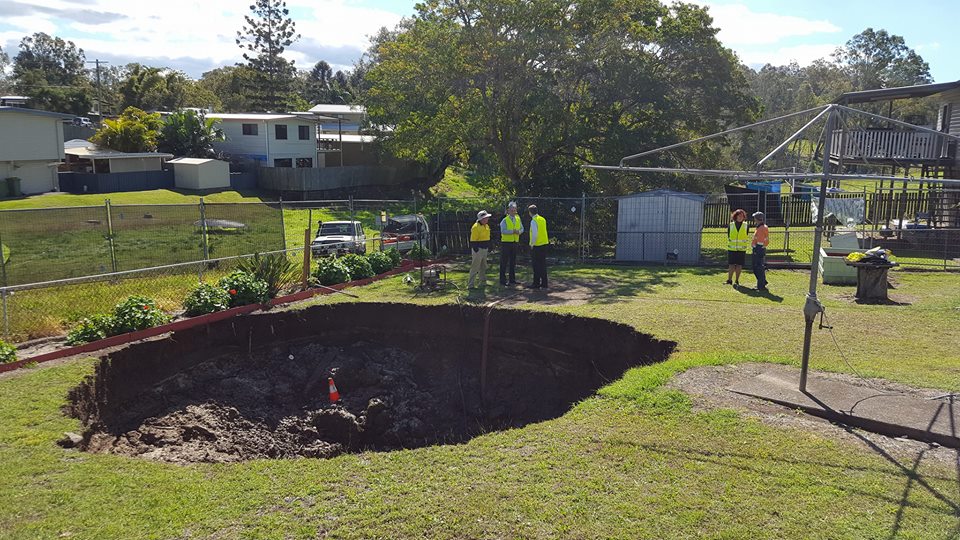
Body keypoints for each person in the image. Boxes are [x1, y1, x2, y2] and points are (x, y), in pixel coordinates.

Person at [499, 202, 524, 286]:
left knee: (513, 262)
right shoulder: (505, 220)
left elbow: (522, 228)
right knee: (504, 262)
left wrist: (519, 232)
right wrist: (512, 232)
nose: (513, 211)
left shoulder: (518, 218)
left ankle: (512, 279)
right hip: (506, 243)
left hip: (515, 242)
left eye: (514, 210)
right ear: (508, 211)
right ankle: (502, 280)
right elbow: (503, 231)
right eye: (511, 210)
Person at [467, 210, 492, 289]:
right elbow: (473, 240)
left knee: (483, 266)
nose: (487, 219)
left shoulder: (487, 226)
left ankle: (482, 282)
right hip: (478, 249)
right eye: (485, 218)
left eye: (487, 218)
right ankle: (470, 285)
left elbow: (487, 237)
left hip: (485, 248)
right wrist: (476, 250)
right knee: (475, 267)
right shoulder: (475, 227)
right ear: (481, 219)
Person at [527, 204, 549, 289]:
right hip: (544, 244)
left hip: (537, 245)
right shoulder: (542, 219)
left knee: (536, 265)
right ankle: (544, 283)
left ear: (530, 212)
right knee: (542, 264)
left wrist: (532, 244)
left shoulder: (533, 221)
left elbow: (535, 234)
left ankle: (536, 283)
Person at [726, 208, 749, 287]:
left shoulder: (746, 225)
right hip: (732, 249)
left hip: (741, 249)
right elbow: (728, 235)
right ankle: (729, 280)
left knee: (739, 265)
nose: (740, 217)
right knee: (731, 265)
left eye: (742, 216)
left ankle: (737, 280)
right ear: (735, 216)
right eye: (739, 216)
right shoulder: (731, 225)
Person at [751, 211, 769, 291]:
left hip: (758, 248)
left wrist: (756, 247)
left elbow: (760, 240)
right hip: (760, 248)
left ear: (757, 219)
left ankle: (761, 285)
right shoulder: (762, 227)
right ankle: (762, 282)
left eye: (755, 218)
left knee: (757, 267)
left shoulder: (761, 228)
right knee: (759, 267)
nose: (754, 219)